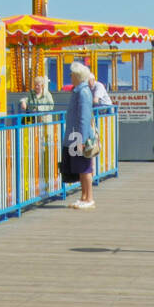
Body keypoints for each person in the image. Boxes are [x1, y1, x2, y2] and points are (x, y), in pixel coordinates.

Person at [63, 61, 96, 209]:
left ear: (77, 76)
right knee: (80, 168)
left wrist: (81, 140)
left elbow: (84, 117)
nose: (70, 76)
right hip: (74, 135)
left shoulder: (83, 92)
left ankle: (89, 198)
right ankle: (83, 197)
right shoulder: (79, 90)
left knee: (85, 168)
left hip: (79, 136)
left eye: (72, 74)